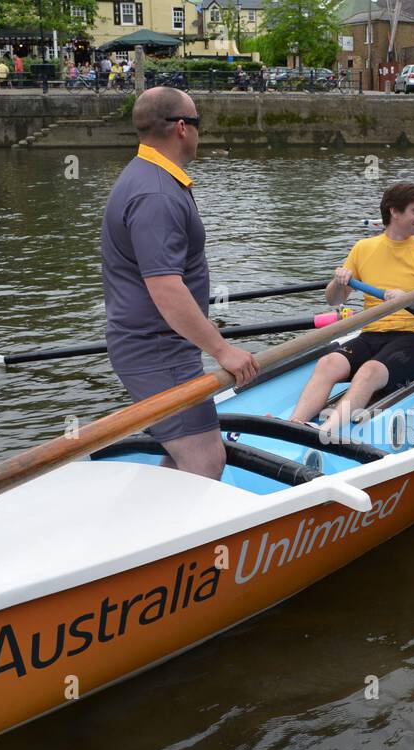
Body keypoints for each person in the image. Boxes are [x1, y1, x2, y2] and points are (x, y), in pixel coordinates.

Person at [102, 87, 259, 481]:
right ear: (183, 128)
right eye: (199, 123)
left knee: (184, 459)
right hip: (157, 351)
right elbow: (167, 290)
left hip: (160, 346)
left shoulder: (147, 177)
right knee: (206, 460)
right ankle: (188, 543)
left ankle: (155, 525)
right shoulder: (156, 194)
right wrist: (223, 351)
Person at [288, 182, 414, 436]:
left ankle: (325, 432)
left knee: (369, 371)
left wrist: (410, 299)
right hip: (371, 335)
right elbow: (334, 301)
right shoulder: (363, 248)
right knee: (327, 363)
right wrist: (338, 281)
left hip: (410, 341)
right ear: (394, 212)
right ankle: (294, 425)